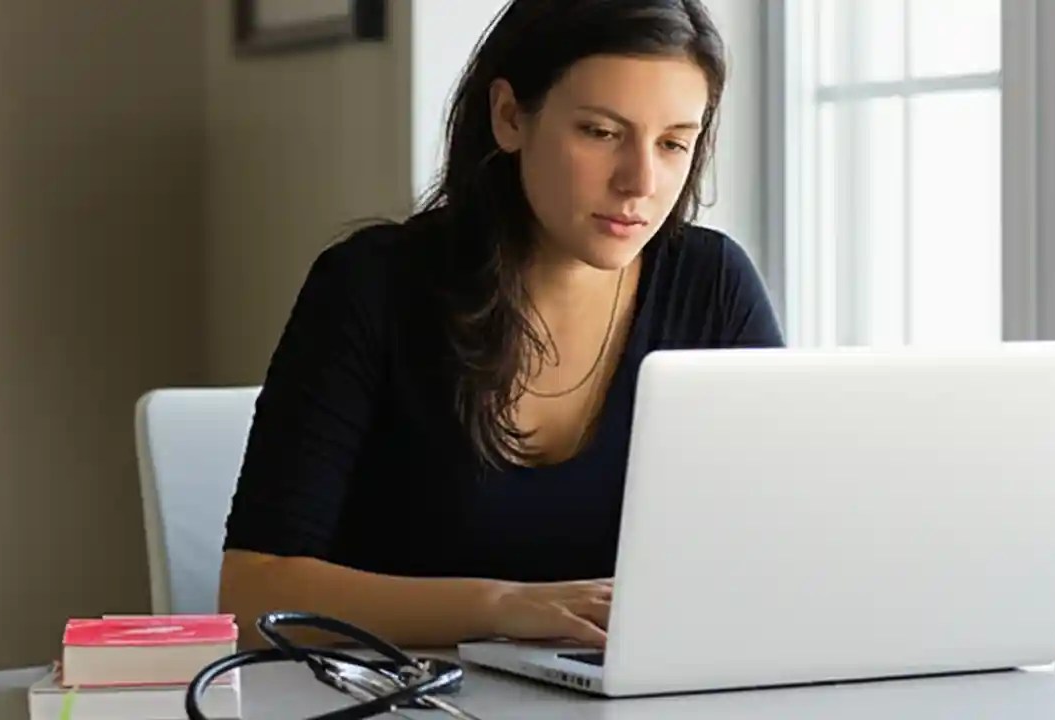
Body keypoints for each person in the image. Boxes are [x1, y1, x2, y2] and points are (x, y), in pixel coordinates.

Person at [218, 0, 784, 651]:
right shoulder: (371, 286)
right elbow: (252, 593)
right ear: (510, 116)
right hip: (397, 698)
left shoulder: (712, 286)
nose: (640, 181)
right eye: (601, 133)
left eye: (673, 143)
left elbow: (773, 553)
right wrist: (499, 606)